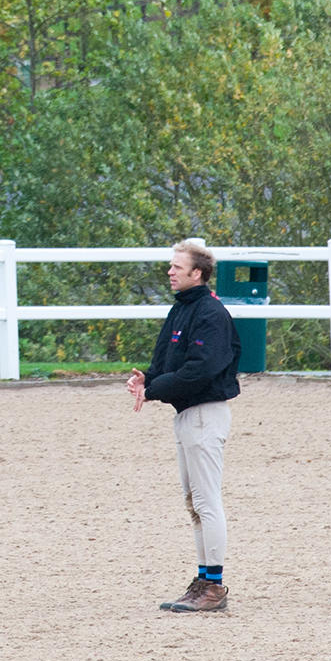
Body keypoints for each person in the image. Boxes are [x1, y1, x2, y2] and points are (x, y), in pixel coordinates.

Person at [128, 237, 240, 613]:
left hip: (205, 413)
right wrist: (147, 380)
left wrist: (156, 388)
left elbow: (201, 368)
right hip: (187, 414)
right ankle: (204, 579)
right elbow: (167, 358)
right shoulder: (182, 310)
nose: (170, 271)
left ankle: (214, 585)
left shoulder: (210, 314)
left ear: (198, 272)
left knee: (207, 502)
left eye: (177, 266)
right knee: (195, 503)